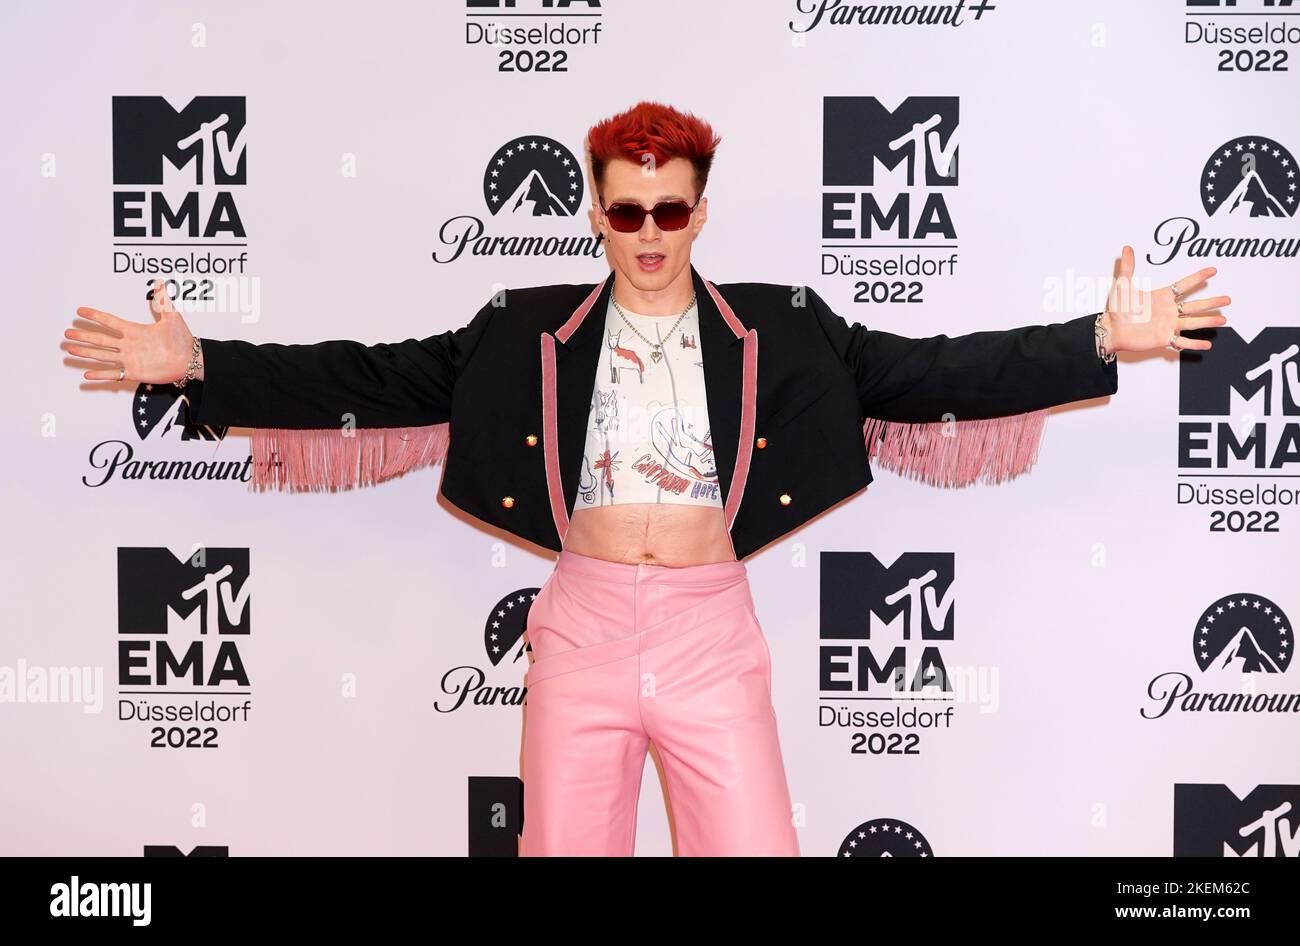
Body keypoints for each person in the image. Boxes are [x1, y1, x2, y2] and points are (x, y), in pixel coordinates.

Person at [63, 101, 1231, 857]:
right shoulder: (525, 333)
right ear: (596, 211)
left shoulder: (782, 328)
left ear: (701, 208)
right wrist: (203, 360)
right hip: (574, 634)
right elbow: (371, 374)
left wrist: (1094, 341)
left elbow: (931, 370)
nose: (649, 230)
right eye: (626, 209)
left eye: (671, 207)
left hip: (710, 634)